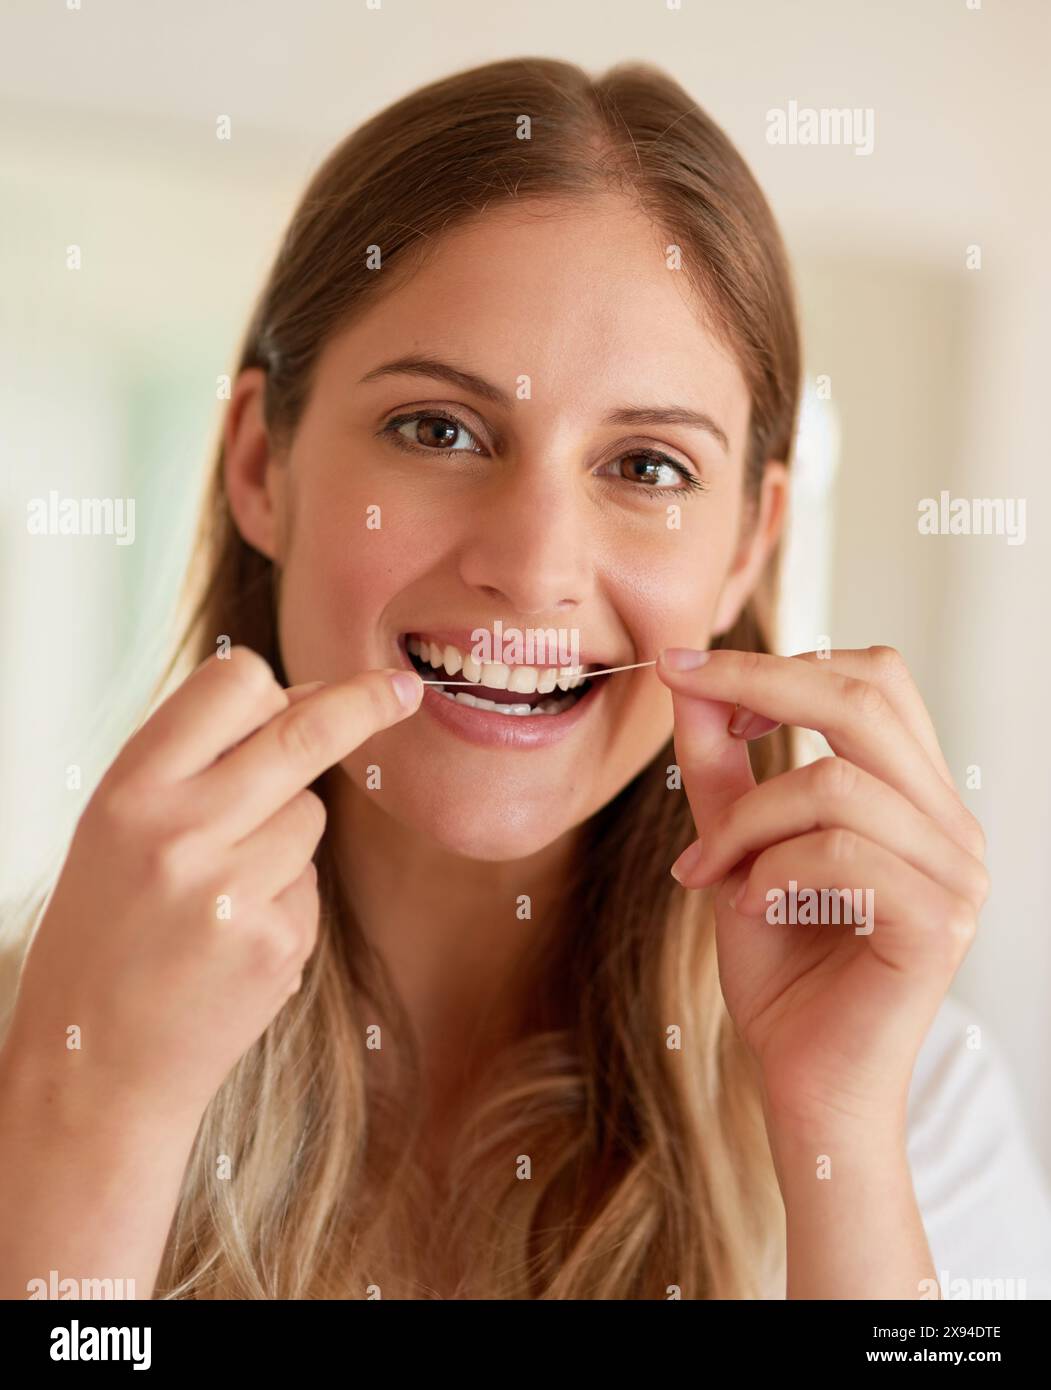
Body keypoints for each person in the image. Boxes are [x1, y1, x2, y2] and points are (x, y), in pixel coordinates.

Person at [1, 56, 1048, 1301]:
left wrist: (836, 1143)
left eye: (648, 465)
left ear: (749, 545)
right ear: (257, 465)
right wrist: (90, 1112)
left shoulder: (912, 1102)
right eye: (438, 429)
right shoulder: (42, 1052)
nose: (535, 566)